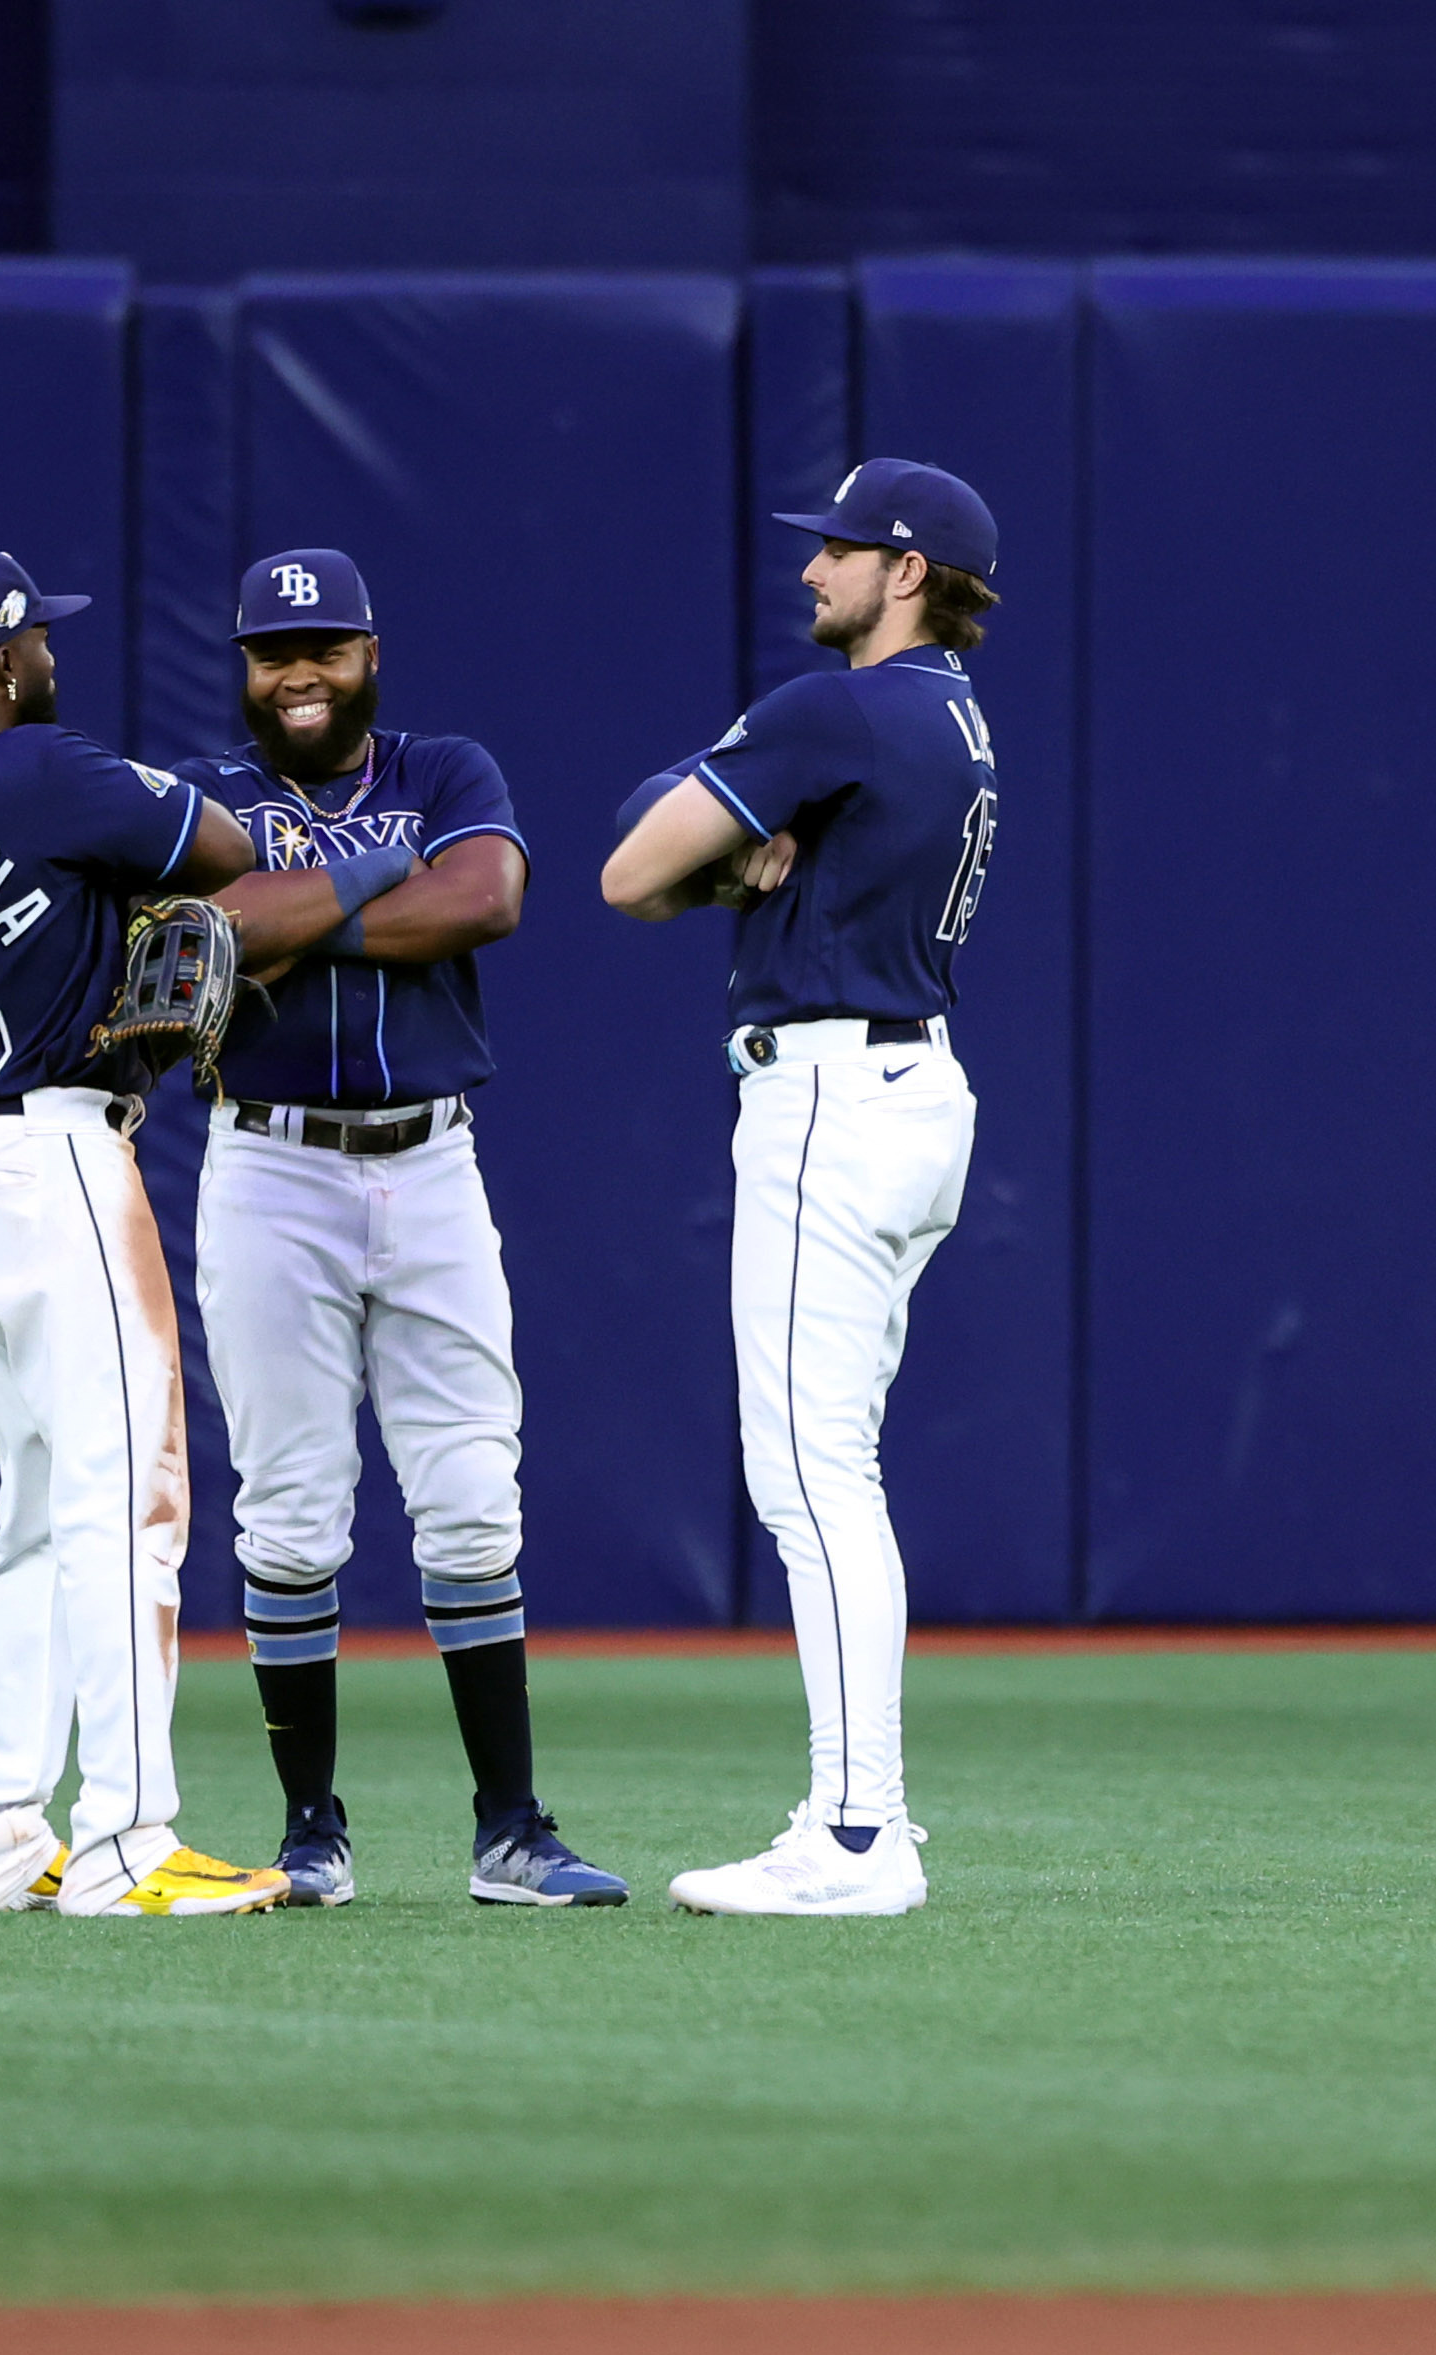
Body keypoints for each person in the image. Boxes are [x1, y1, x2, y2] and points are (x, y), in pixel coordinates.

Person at [168, 548, 627, 1911]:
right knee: (290, 1510)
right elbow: (212, 929)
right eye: (273, 653)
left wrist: (310, 908)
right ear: (244, 668)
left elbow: (484, 900)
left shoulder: (446, 769)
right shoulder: (210, 794)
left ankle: (512, 1832)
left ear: (371, 653)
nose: (298, 674)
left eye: (324, 647)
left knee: (473, 1496)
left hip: (431, 1161)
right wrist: (376, 876)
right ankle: (310, 1831)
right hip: (271, 1164)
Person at [600, 460, 1000, 1917]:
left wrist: (712, 862)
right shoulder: (949, 713)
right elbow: (665, 842)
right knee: (837, 1468)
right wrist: (731, 846)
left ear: (907, 571)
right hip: (913, 1086)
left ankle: (857, 1834)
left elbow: (628, 869)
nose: (813, 567)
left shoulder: (836, 709)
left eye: (839, 548)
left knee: (811, 1476)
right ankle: (852, 1817)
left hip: (831, 1093)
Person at [0, 544, 289, 1917]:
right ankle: (125, 1842)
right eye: (36, 639)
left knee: (41, 1516)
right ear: (1, 661)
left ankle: (0, 1834)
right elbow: (223, 849)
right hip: (54, 1158)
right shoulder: (40, 767)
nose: (52, 654)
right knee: (129, 1503)